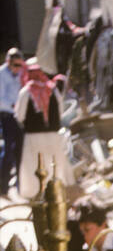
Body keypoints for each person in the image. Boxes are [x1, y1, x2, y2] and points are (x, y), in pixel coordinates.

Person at [14, 57, 73, 198]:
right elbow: (60, 111)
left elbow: (19, 115)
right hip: (53, 134)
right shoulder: (52, 89)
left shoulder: (26, 92)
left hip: (33, 135)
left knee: (34, 165)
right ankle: (56, 190)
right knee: (54, 162)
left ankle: (36, 193)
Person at [0, 47, 24, 196]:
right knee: (8, 150)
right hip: (7, 115)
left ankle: (20, 185)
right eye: (15, 65)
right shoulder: (2, 74)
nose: (17, 68)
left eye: (19, 65)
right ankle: (3, 187)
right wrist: (13, 105)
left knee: (21, 151)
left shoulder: (20, 73)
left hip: (19, 116)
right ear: (8, 63)